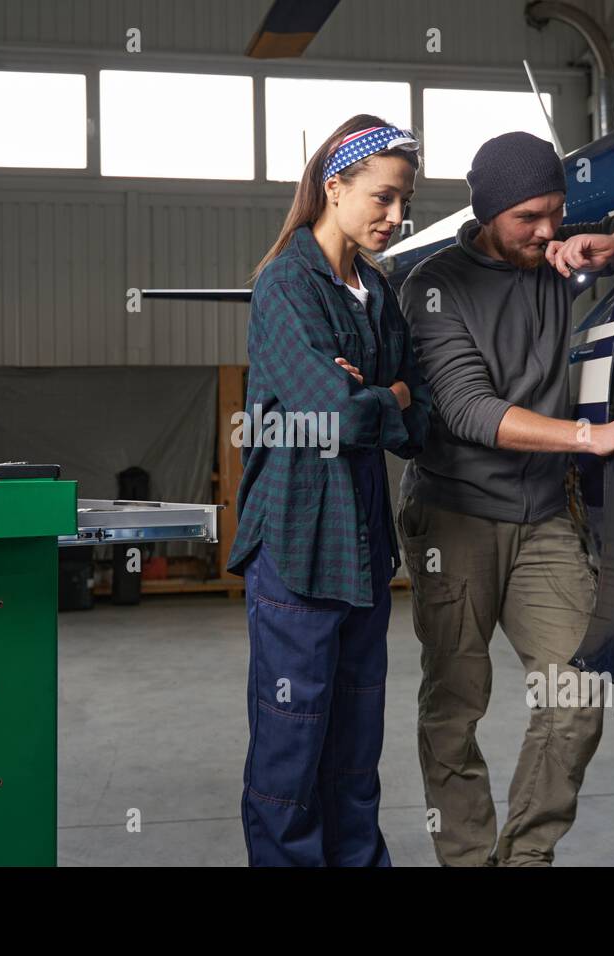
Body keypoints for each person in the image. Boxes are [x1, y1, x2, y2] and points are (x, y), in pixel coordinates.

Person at [397, 131, 614, 866]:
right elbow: (470, 411)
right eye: (529, 216)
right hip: (454, 518)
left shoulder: (560, 259)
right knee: (456, 705)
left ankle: (523, 858)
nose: (548, 230)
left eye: (557, 211)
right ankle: (465, 859)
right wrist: (594, 437)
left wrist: (613, 243)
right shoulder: (435, 286)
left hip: (545, 518)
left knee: (580, 693)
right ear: (488, 211)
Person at [226, 115, 432, 866]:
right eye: (382, 198)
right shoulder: (285, 285)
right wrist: (390, 396)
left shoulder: (375, 294)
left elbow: (421, 422)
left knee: (353, 754)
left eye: (405, 201)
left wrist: (385, 400)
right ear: (333, 185)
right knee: (292, 753)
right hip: (297, 545)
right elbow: (342, 415)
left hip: (363, 551)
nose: (396, 217)